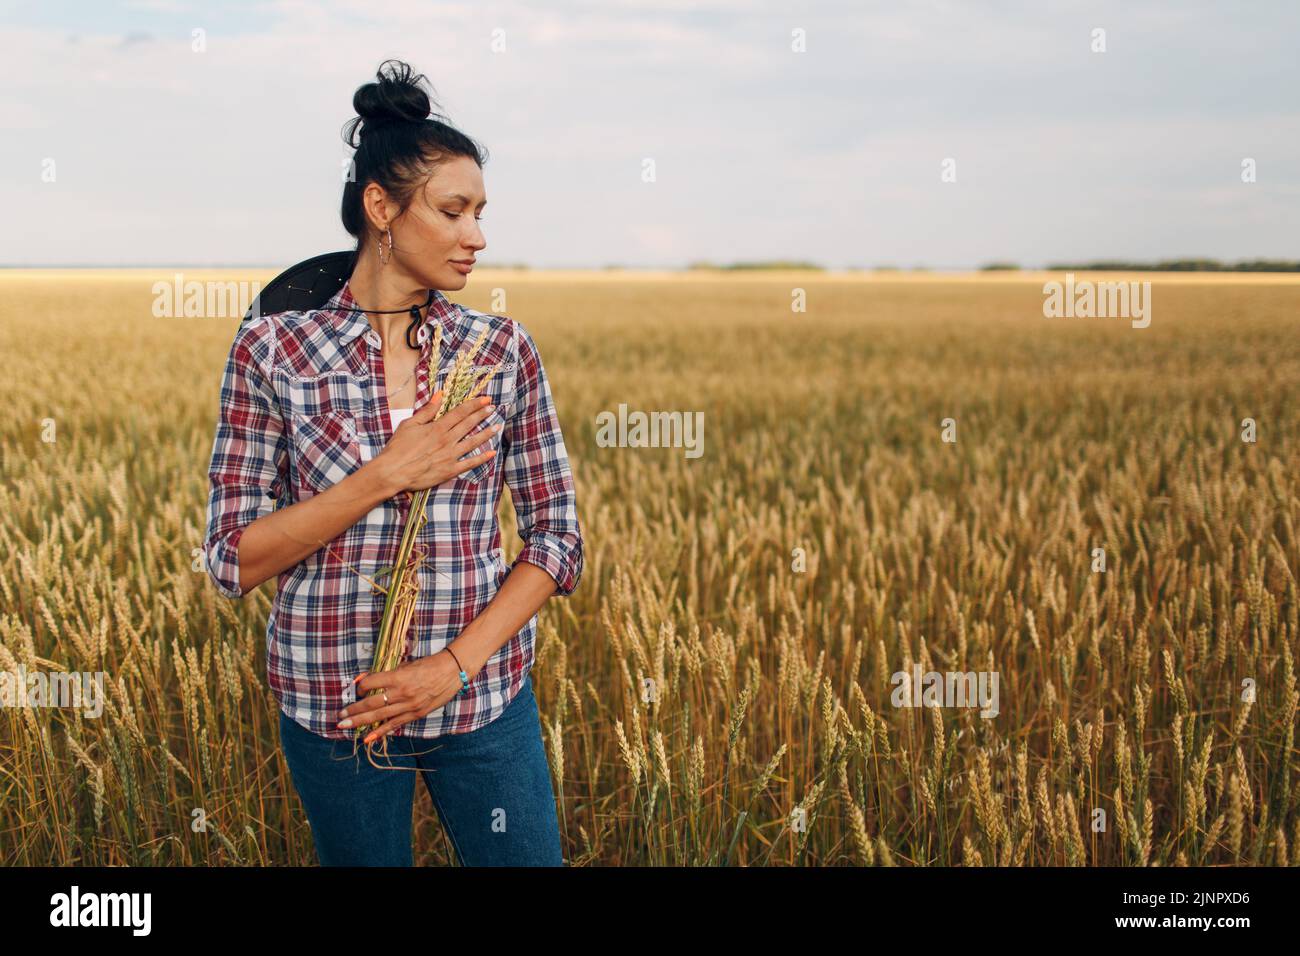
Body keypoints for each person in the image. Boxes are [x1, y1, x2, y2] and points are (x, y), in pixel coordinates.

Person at [201, 59, 584, 866]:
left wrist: (452, 666)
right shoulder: (275, 349)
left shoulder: (499, 350)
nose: (476, 236)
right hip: (334, 707)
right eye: (453, 211)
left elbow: (557, 540)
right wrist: (385, 473)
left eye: (480, 212)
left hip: (483, 700)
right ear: (382, 207)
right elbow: (232, 560)